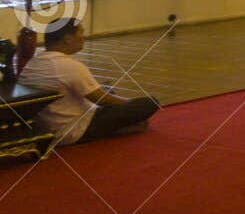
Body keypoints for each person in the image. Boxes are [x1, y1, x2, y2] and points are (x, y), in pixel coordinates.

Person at [21, 20, 160, 145]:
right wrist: (131, 105)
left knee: (107, 89)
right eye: (81, 33)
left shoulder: (34, 62)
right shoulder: (68, 66)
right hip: (72, 129)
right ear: (68, 39)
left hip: (48, 126)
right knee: (150, 103)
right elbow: (102, 100)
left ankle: (123, 125)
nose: (83, 37)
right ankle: (119, 128)